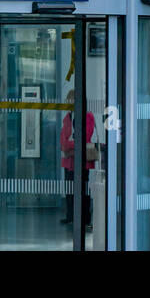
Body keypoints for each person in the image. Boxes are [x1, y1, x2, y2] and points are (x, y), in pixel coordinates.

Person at [59, 89, 96, 228]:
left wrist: (70, 145)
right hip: (69, 160)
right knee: (69, 189)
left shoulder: (88, 116)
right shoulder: (67, 117)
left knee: (83, 190)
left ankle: (85, 219)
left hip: (82, 160)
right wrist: (70, 145)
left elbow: (84, 138)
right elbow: (63, 139)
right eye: (69, 101)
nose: (70, 103)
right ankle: (70, 216)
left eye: (72, 100)